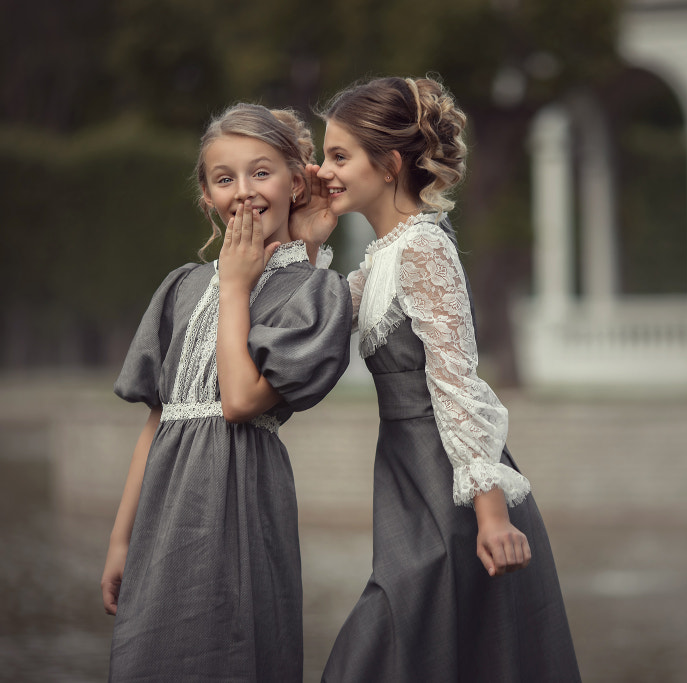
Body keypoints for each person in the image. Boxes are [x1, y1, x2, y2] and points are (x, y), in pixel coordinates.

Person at [291, 75, 581, 682]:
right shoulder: (382, 256)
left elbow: (457, 383)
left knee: (376, 654)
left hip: (450, 490)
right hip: (408, 480)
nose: (323, 170)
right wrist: (310, 243)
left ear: (390, 162)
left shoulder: (423, 249)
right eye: (324, 155)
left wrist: (492, 515)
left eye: (340, 155)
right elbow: (312, 333)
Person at [100, 103, 352, 682]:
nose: (243, 191)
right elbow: (157, 424)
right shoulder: (181, 288)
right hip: (163, 516)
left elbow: (240, 403)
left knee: (234, 654)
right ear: (206, 197)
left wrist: (238, 285)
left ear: (296, 179)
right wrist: (120, 541)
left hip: (239, 506)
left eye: (261, 172)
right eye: (224, 178)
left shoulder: (317, 293)